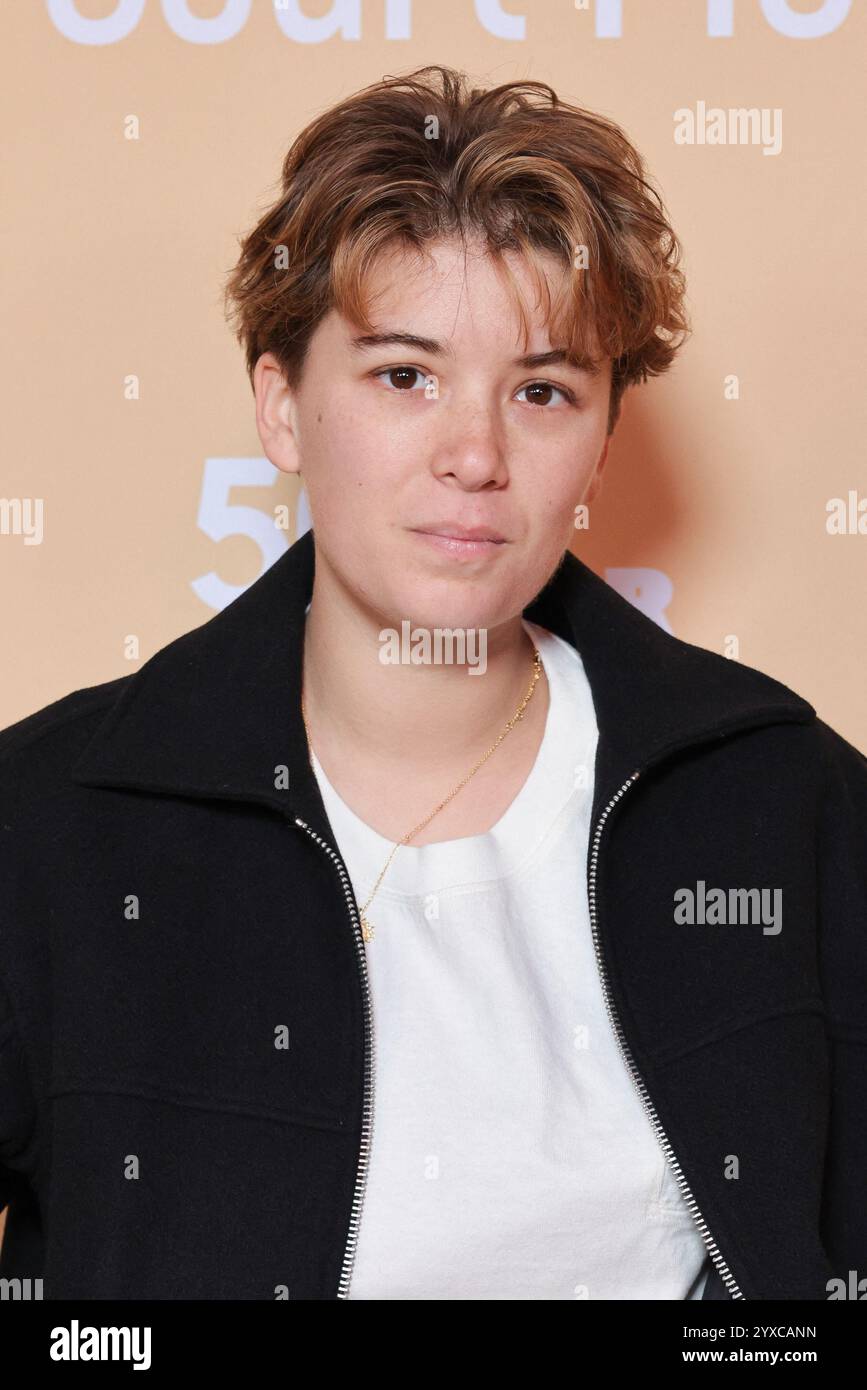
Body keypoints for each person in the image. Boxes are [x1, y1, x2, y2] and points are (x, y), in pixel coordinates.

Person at [0, 66, 864, 1302]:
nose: (475, 456)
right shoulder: (49, 829)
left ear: (603, 442)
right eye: (405, 375)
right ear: (283, 408)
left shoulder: (787, 802)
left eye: (543, 390)